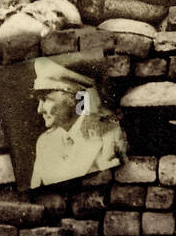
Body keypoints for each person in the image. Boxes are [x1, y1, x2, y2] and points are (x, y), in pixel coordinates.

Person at [29, 58, 126, 190]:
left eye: (46, 99)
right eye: (39, 101)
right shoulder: (45, 142)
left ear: (75, 99)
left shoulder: (110, 135)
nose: (39, 110)